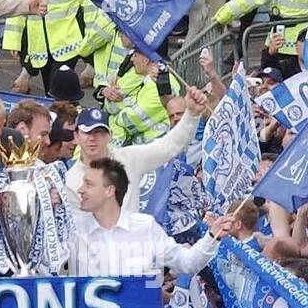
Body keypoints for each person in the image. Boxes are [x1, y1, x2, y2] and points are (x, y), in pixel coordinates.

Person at [67, 158, 236, 277]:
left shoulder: (144, 227)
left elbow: (187, 263)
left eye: (88, 184)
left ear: (110, 191)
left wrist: (212, 236)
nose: (80, 189)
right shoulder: (73, 231)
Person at [62, 87, 207, 220]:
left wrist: (191, 115)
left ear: (110, 136)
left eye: (99, 132)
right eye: (87, 132)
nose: (92, 138)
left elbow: (169, 147)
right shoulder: (70, 179)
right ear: (76, 136)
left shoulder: (128, 158)